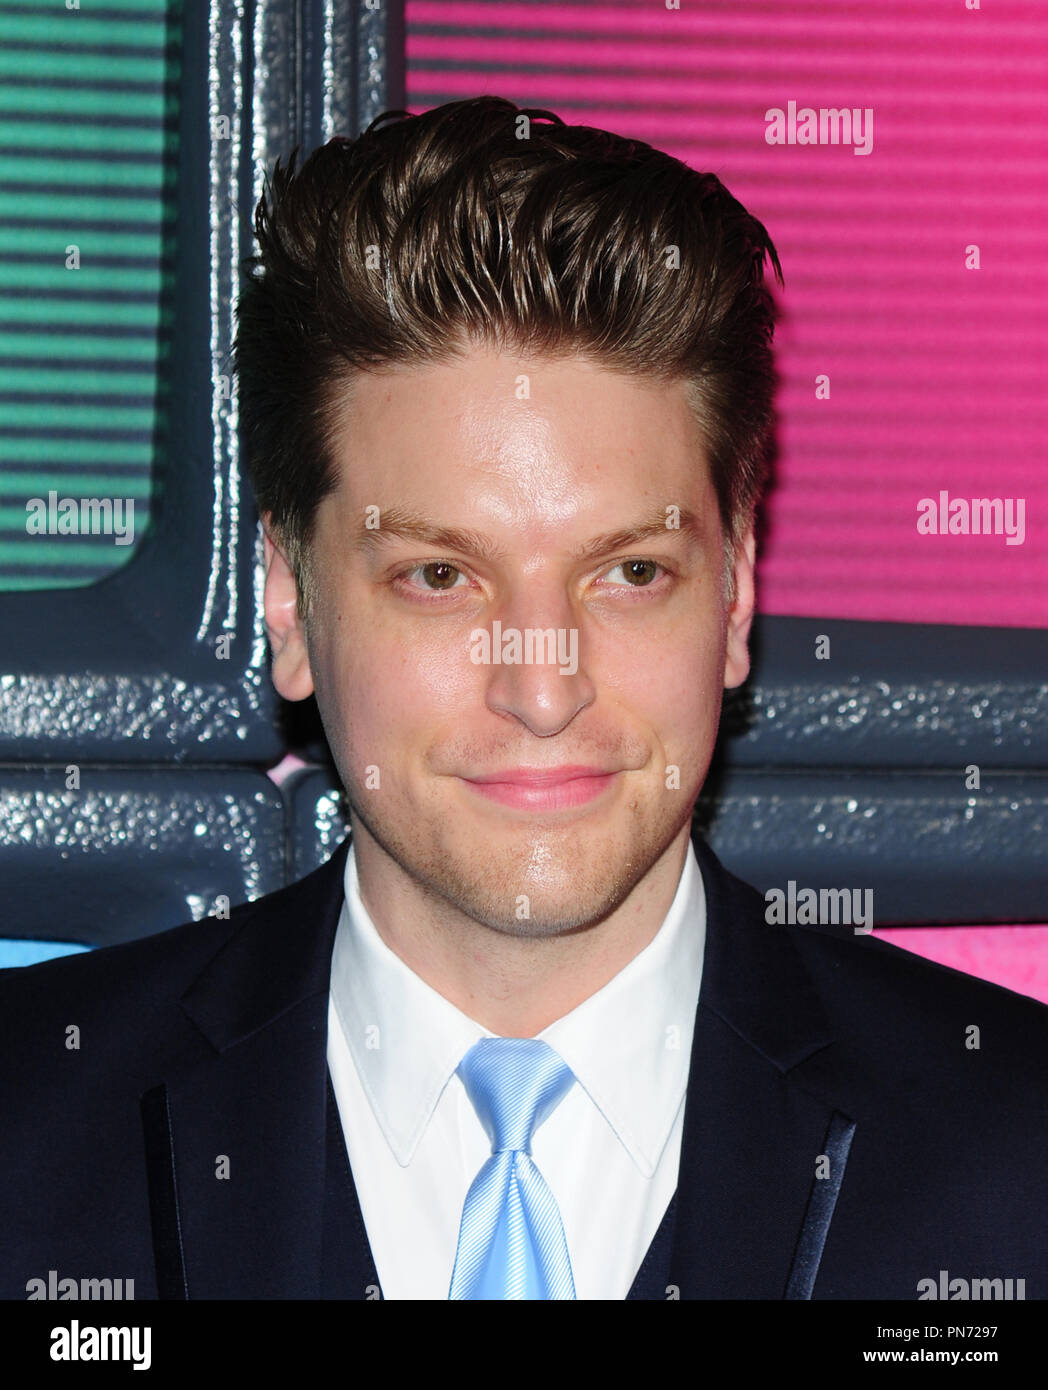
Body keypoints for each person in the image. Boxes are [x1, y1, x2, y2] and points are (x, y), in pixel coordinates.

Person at [2, 96, 1046, 1302]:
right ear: (289, 602)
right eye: (439, 576)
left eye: (631, 573)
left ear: (737, 594)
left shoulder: (1017, 1150)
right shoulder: (23, 1124)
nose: (543, 685)